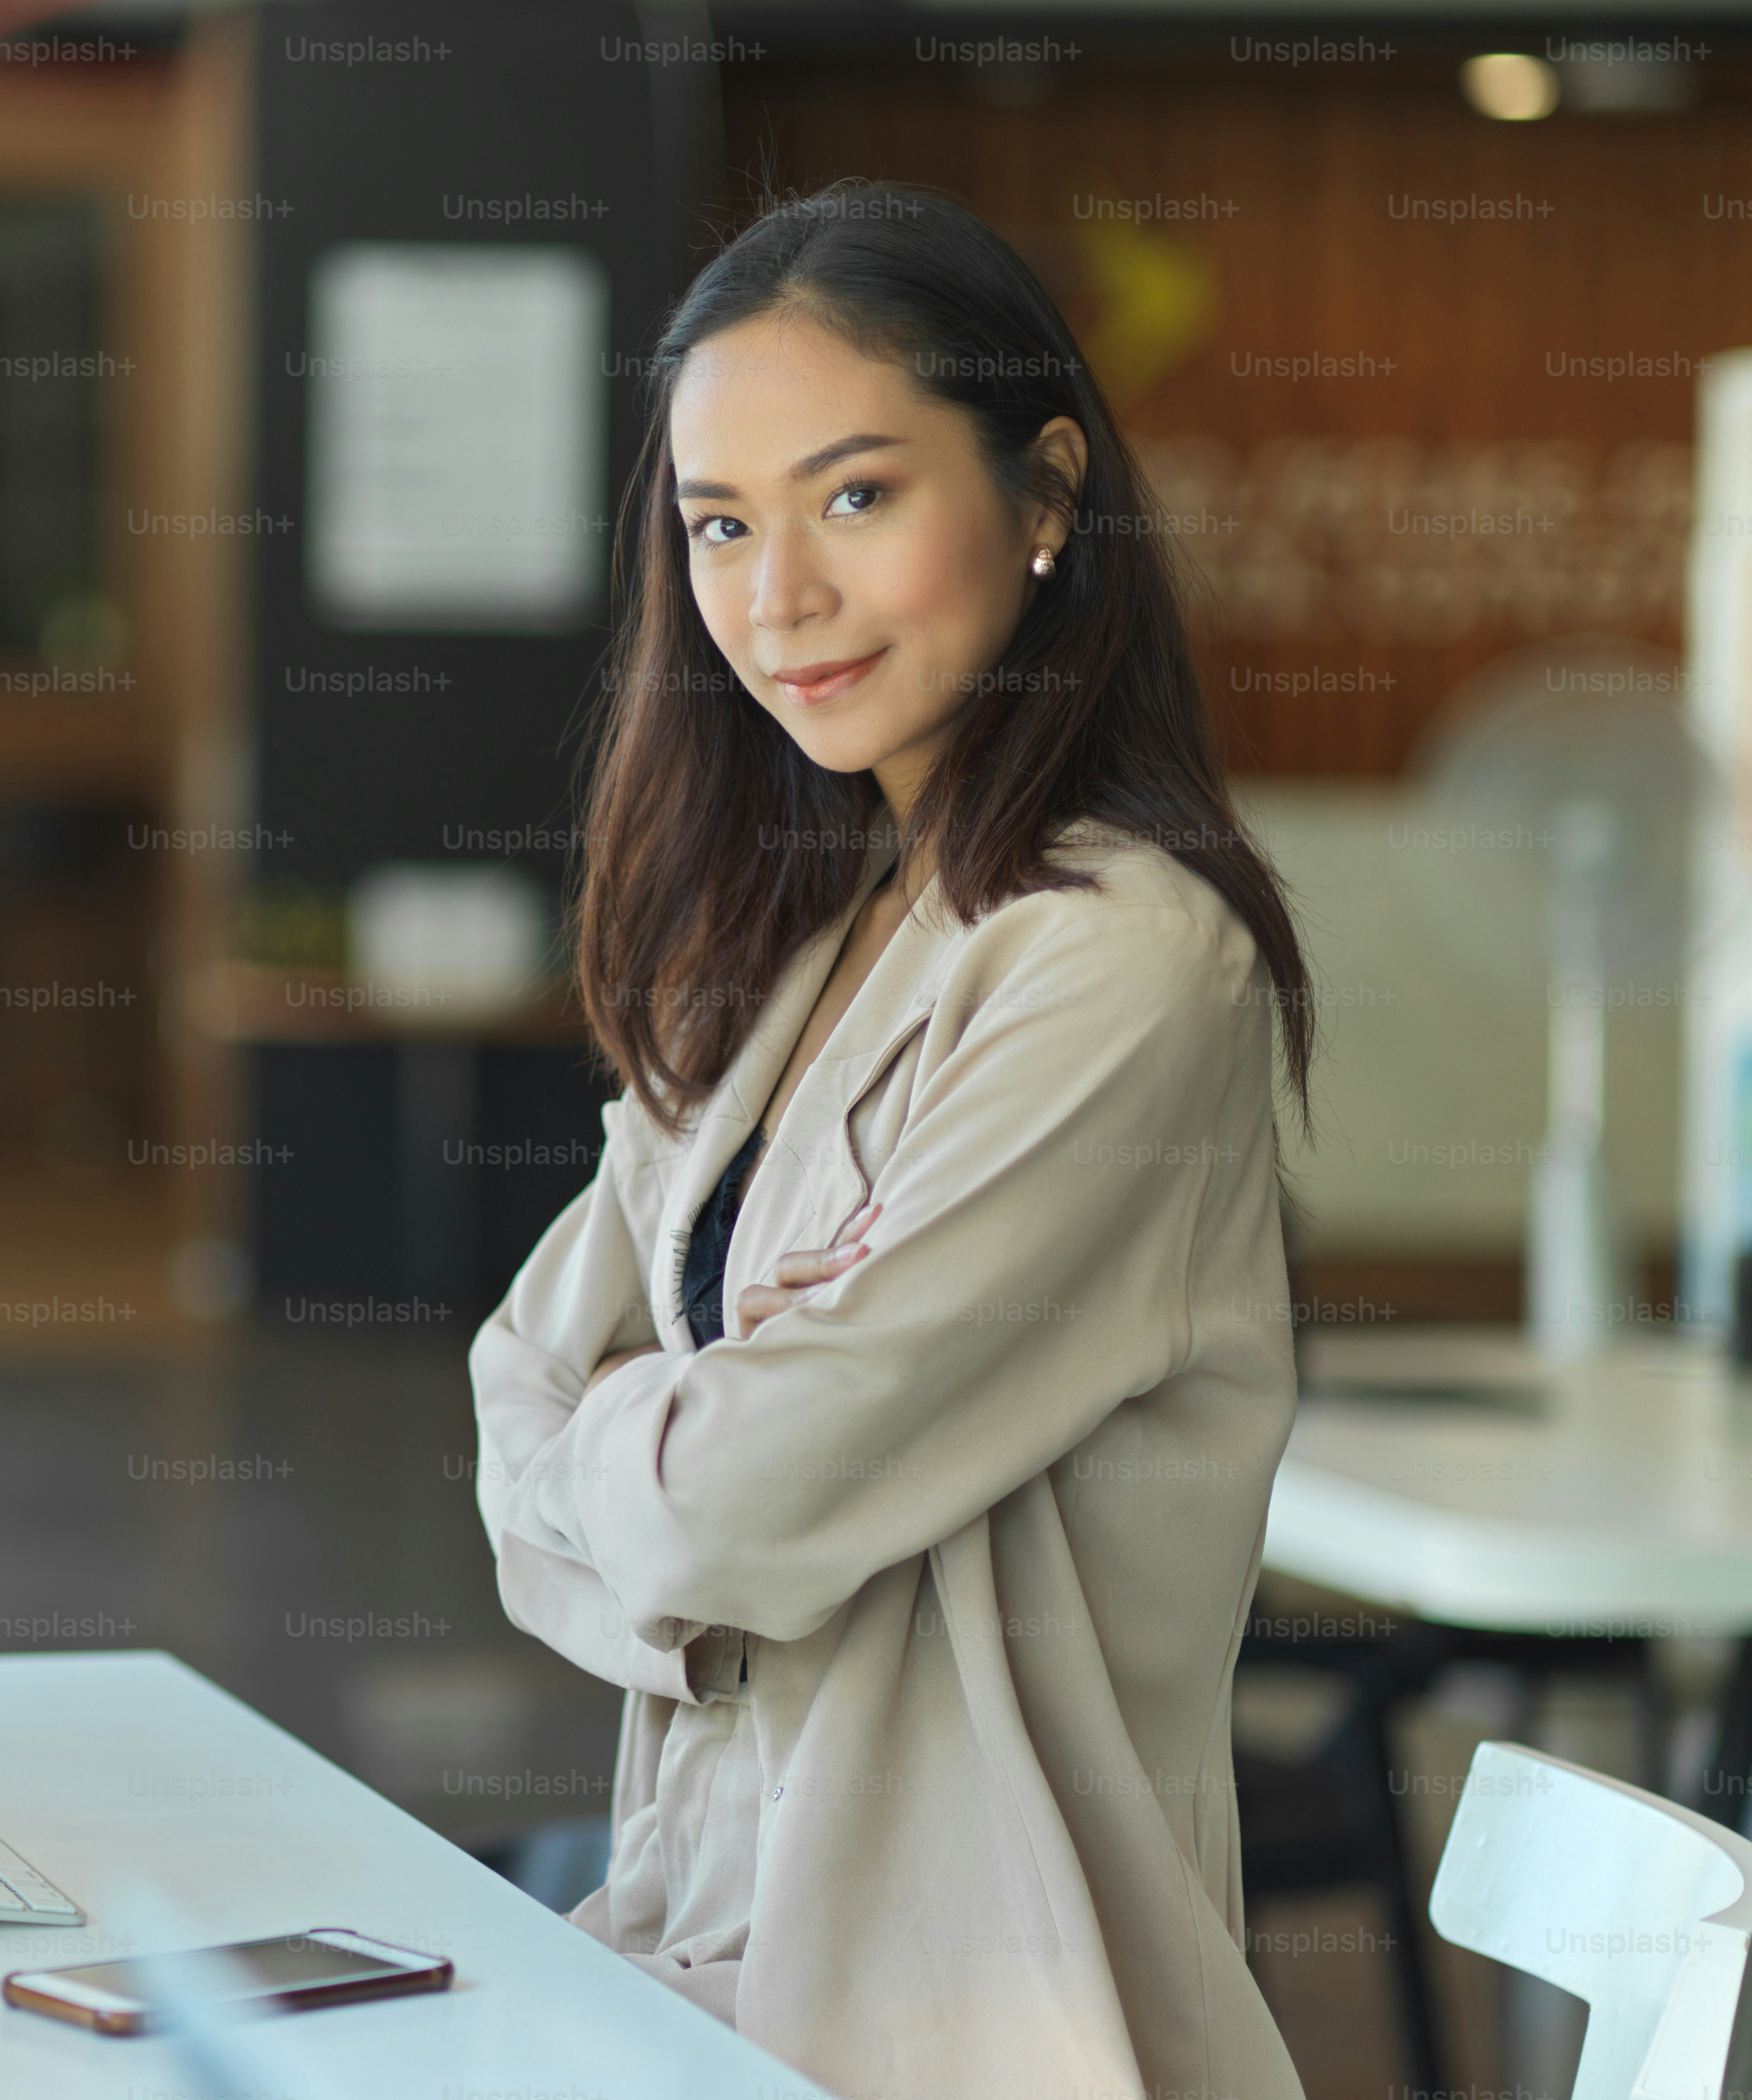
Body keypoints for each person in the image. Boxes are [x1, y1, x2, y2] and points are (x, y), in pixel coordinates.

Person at [469, 177, 1313, 2100]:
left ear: (1042, 497)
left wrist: (663, 1480)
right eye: (721, 524)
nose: (779, 599)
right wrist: (685, 1477)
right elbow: (515, 1387)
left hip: (982, 2024)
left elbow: (724, 1508)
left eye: (856, 496)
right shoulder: (796, 945)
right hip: (695, 1948)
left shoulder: (1125, 964)